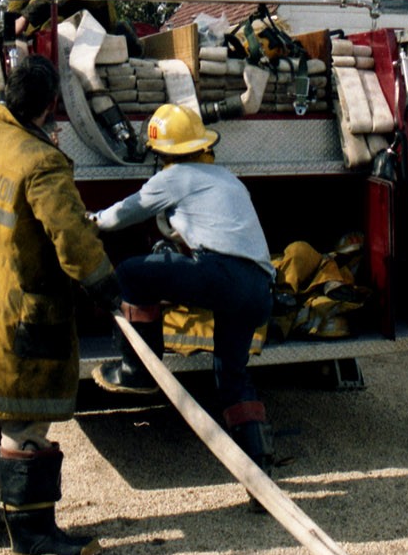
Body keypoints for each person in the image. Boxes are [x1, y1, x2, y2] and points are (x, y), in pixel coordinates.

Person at [0, 54, 121, 555]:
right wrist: (104, 285)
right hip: (25, 314)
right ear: (49, 106)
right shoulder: (40, 161)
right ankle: (33, 538)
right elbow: (70, 235)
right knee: (25, 424)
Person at [89, 103, 277, 484]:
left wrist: (88, 222)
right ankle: (259, 467)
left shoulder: (173, 178)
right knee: (232, 375)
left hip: (220, 274)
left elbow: (121, 216)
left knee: (131, 273)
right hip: (259, 286)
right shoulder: (227, 178)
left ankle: (138, 370)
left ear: (165, 153)